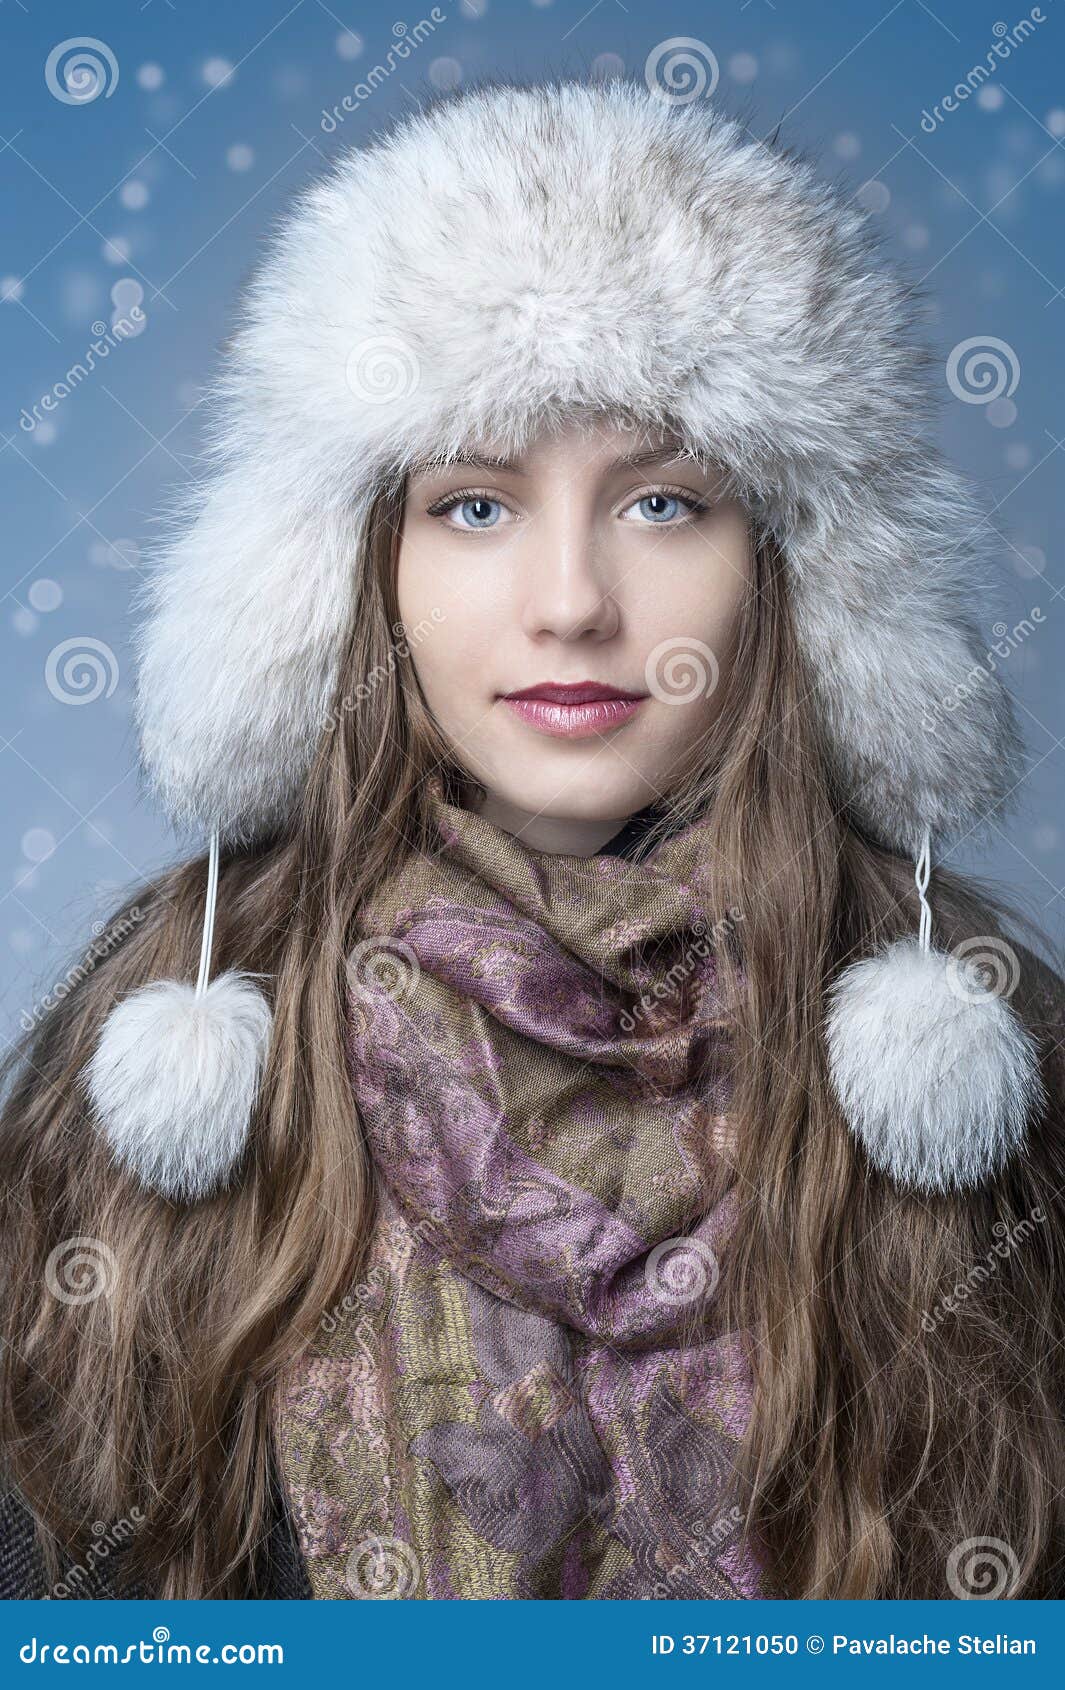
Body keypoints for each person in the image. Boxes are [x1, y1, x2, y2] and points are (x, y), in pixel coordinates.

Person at [2, 75, 1063, 1603]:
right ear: (359, 572)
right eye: (477, 506)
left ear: (790, 574)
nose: (569, 601)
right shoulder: (177, 1038)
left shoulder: (972, 1047)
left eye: (663, 503)